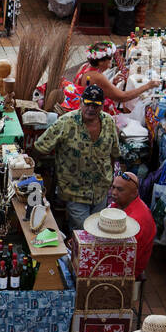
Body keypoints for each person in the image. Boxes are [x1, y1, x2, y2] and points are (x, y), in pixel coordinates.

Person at [33, 82, 120, 231]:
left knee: (100, 230)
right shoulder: (66, 122)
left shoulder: (109, 122)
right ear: (81, 102)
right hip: (75, 191)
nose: (91, 109)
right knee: (84, 231)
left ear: (102, 106)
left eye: (96, 105)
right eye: (88, 104)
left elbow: (114, 153)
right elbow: (40, 146)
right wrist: (37, 172)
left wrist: (109, 179)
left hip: (101, 190)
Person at [68, 42, 158, 119]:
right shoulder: (97, 76)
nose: (112, 60)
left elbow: (95, 89)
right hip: (92, 114)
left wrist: (111, 84)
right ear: (101, 62)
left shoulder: (85, 66)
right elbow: (123, 97)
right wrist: (147, 86)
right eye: (110, 58)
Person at [108, 172, 156, 277]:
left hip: (128, 268)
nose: (114, 193)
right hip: (119, 255)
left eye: (120, 189)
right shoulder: (119, 204)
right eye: (113, 187)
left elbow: (124, 257)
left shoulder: (138, 220)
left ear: (134, 193)